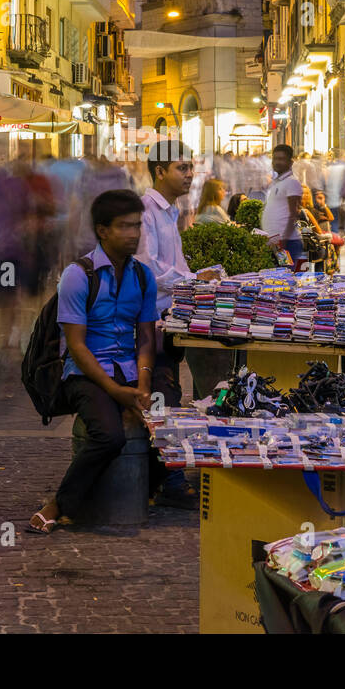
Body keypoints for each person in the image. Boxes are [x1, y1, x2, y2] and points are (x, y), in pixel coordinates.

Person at [27, 190, 160, 534]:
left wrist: (143, 384)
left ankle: (146, 490)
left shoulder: (143, 276)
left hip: (129, 370)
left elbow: (146, 336)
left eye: (137, 226)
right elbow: (77, 346)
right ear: (102, 230)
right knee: (108, 436)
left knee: (167, 427)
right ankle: (60, 503)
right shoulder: (77, 275)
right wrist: (117, 391)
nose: (134, 234)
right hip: (84, 374)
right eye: (124, 227)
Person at [136, 140, 228, 472]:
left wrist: (199, 277)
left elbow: (173, 266)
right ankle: (164, 476)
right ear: (159, 171)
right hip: (153, 318)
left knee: (170, 390)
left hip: (171, 315)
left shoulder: (171, 210)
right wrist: (190, 280)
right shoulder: (147, 211)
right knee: (163, 395)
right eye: (182, 168)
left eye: (191, 167)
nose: (190, 175)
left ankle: (165, 472)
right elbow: (149, 268)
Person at [263, 143, 305, 266]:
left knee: (290, 280)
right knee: (280, 281)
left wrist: (284, 240)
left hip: (289, 244)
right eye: (275, 159)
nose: (277, 162)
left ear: (290, 162)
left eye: (281, 159)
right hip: (278, 243)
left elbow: (294, 214)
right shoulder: (277, 182)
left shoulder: (292, 182)